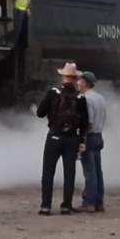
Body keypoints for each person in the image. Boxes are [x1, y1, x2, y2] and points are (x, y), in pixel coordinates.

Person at [36, 62, 89, 215]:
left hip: (54, 136)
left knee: (48, 172)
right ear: (75, 78)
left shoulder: (54, 92)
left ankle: (46, 205)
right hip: (72, 138)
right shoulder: (80, 97)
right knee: (69, 172)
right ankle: (66, 205)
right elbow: (84, 123)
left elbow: (40, 112)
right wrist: (82, 141)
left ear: (63, 77)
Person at [76, 71, 108, 213]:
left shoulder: (87, 99)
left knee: (89, 172)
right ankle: (99, 202)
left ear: (85, 83)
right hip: (99, 136)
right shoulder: (100, 98)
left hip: (89, 137)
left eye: (79, 80)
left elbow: (88, 122)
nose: (78, 82)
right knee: (97, 170)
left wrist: (81, 139)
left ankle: (88, 202)